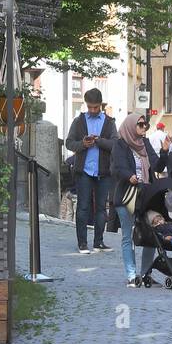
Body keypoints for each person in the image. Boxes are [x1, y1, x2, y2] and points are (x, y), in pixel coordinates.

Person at [111, 112, 166, 287]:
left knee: (151, 235)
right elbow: (118, 167)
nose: (144, 128)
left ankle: (146, 274)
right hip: (127, 195)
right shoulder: (120, 145)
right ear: (131, 125)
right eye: (140, 124)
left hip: (145, 195)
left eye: (145, 125)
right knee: (128, 236)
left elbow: (157, 166)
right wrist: (130, 176)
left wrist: (164, 152)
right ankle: (132, 275)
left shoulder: (145, 143)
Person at [64, 88, 117, 254]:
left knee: (101, 208)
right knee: (83, 207)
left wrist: (99, 141)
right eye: (90, 107)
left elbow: (115, 144)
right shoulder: (79, 121)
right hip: (84, 171)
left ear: (101, 105)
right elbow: (69, 143)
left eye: (95, 107)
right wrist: (83, 144)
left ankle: (98, 242)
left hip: (103, 171)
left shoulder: (109, 122)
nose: (93, 110)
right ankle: (82, 243)